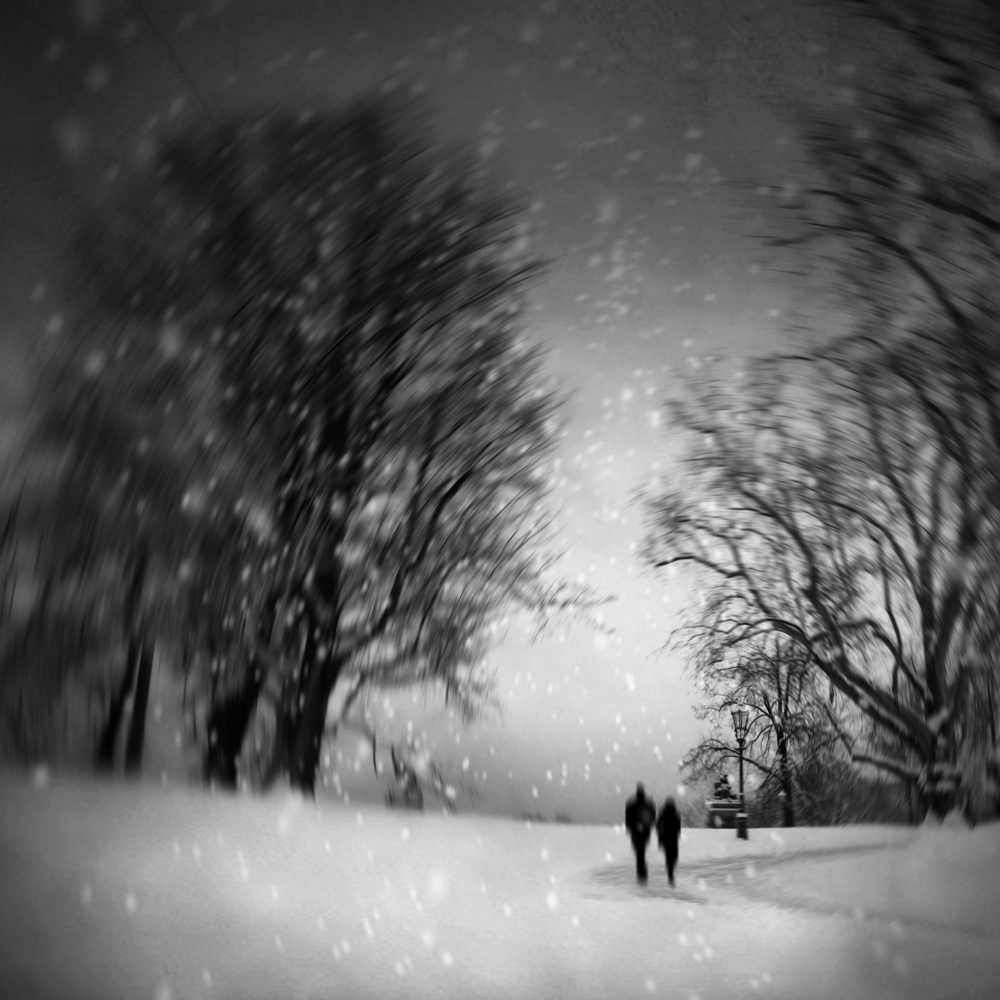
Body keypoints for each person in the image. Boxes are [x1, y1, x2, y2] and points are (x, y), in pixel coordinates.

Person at [625, 782, 657, 883]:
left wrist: (629, 827)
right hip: (645, 831)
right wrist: (648, 825)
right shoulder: (649, 803)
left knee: (638, 851)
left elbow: (628, 818)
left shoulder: (631, 803)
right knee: (641, 850)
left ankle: (641, 873)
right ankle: (642, 872)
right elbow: (653, 817)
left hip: (635, 831)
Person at [656, 796, 682, 887]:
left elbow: (658, 827)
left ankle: (670, 873)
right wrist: (678, 834)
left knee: (668, 857)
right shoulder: (675, 813)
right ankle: (671, 873)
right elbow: (678, 826)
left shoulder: (662, 814)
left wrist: (660, 839)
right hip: (673, 838)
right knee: (674, 856)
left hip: (665, 838)